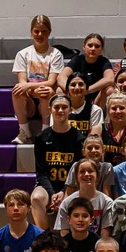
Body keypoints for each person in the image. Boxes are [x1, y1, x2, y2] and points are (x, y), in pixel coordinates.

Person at [30, 94, 84, 230]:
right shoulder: (41, 137)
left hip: (71, 186)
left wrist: (64, 191)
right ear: (50, 110)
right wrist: (52, 192)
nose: (60, 110)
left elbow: (79, 172)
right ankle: (44, 237)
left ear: (70, 110)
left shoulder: (79, 138)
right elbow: (41, 172)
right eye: (57, 107)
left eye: (64, 107)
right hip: (47, 185)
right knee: (36, 198)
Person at [11, 14, 65, 144]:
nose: (40, 34)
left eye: (43, 31)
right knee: (17, 90)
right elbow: (22, 81)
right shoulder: (23, 54)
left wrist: (29, 87)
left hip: (45, 98)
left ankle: (46, 131)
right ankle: (24, 131)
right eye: (36, 31)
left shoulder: (55, 54)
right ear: (31, 32)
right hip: (29, 101)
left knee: (46, 91)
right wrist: (27, 88)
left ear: (49, 32)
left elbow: (51, 81)